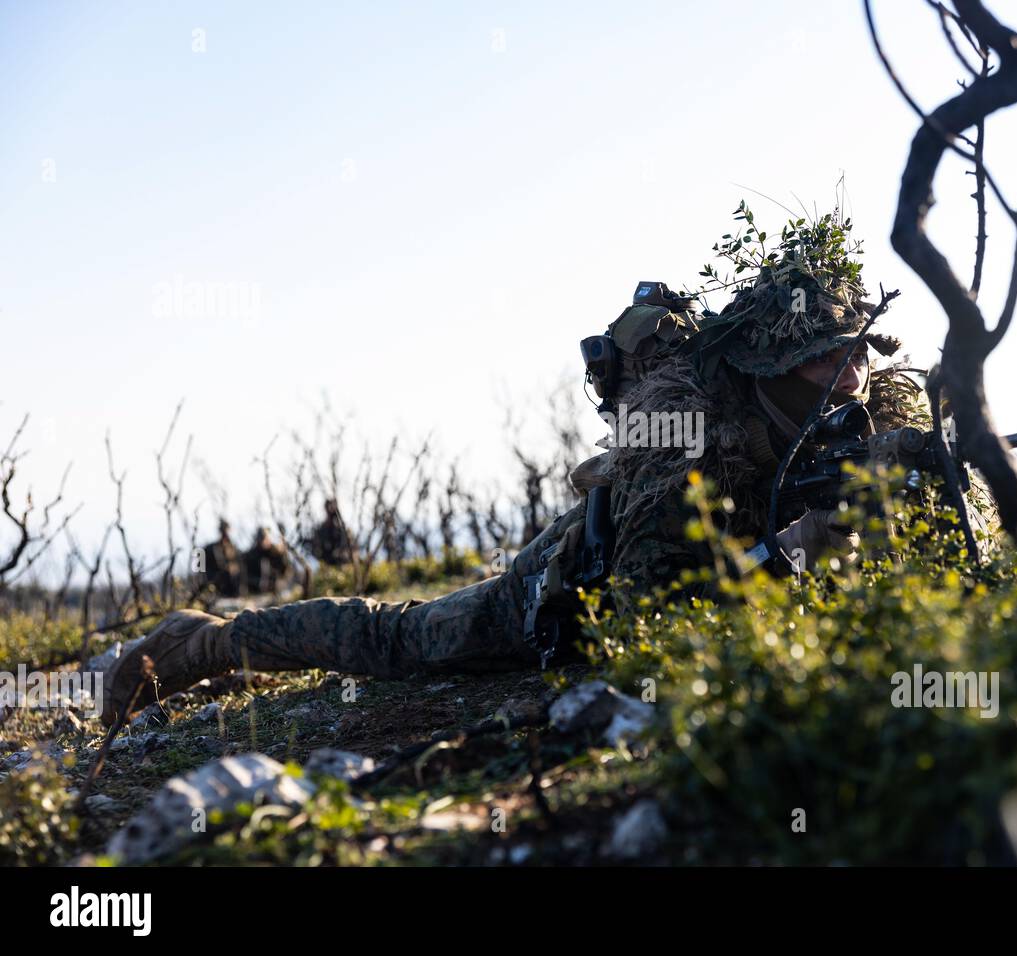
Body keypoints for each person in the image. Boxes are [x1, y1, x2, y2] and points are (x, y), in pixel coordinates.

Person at [103, 265, 916, 723]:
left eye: (858, 357)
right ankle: (198, 644)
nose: (850, 378)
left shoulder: (853, 413)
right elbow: (649, 615)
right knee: (402, 641)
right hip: (564, 587)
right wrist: (791, 551)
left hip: (714, 569)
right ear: (772, 369)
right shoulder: (682, 437)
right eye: (825, 360)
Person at [198, 519, 241, 598]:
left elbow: (239, 563)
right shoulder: (210, 548)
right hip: (216, 582)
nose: (225, 532)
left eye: (226, 529)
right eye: (223, 529)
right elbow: (201, 566)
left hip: (232, 583)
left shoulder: (233, 548)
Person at [241, 526, 290, 595]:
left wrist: (283, 554)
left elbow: (285, 570)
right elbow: (245, 576)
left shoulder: (275, 553)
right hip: (256, 593)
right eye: (262, 538)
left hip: (276, 591)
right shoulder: (251, 555)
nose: (264, 541)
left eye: (266, 538)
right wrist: (259, 582)